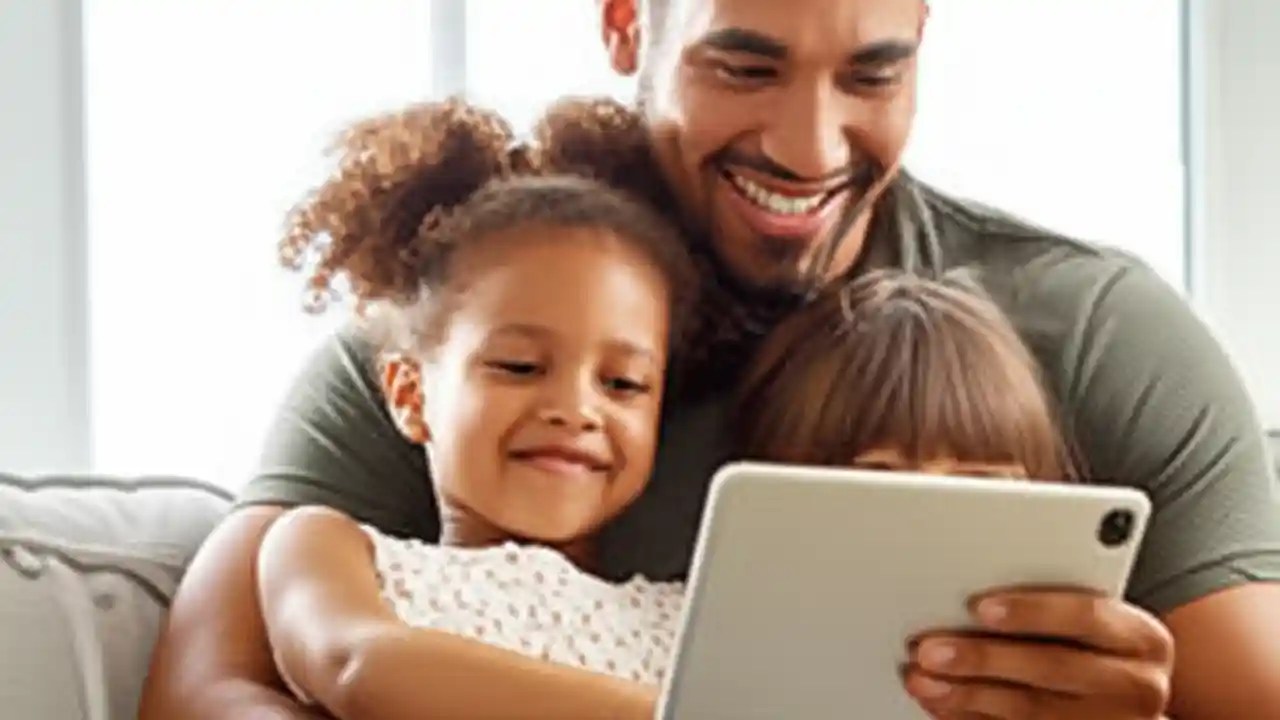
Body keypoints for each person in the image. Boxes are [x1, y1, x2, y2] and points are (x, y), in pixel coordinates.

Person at [141, 1, 1280, 718]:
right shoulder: (466, 321)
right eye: (743, 67)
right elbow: (202, 691)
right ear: (627, 24)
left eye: (871, 76)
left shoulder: (1094, 334)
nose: (809, 146)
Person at [253, 96, 697, 719]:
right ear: (411, 394)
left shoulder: (688, 616)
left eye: (622, 383)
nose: (575, 409)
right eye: (519, 367)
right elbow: (358, 668)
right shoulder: (335, 551)